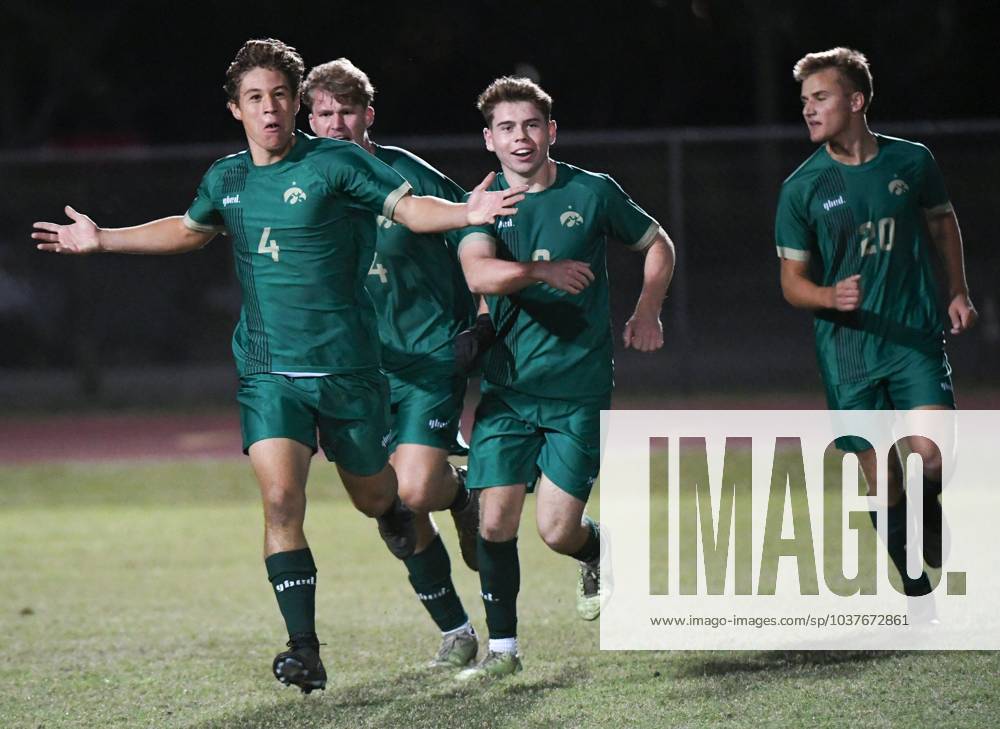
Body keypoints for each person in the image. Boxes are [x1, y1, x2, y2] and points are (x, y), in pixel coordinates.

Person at [31, 38, 525, 694]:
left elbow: (408, 208)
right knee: (280, 499)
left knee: (384, 500)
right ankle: (304, 649)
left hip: (350, 371)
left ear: (295, 104)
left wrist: (467, 211)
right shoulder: (227, 179)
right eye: (256, 98)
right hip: (268, 371)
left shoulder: (336, 163)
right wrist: (104, 239)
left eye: (280, 96)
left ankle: (451, 555)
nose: (269, 109)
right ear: (236, 108)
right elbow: (191, 228)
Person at [451, 77, 676, 679]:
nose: (520, 137)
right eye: (506, 127)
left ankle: (596, 549)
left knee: (555, 530)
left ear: (550, 131)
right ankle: (504, 652)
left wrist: (647, 308)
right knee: (493, 521)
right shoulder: (485, 204)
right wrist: (538, 273)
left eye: (530, 125)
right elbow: (478, 275)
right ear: (489, 139)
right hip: (507, 389)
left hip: (578, 389)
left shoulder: (592, 190)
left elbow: (658, 243)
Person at [775, 47, 977, 598]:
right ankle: (915, 590)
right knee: (879, 474)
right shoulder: (802, 188)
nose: (808, 109)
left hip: (912, 335)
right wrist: (827, 295)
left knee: (934, 455)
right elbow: (791, 283)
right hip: (847, 352)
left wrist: (958, 290)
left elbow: (942, 223)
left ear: (856, 100)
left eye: (821, 97)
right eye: (804, 100)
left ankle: (926, 507)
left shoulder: (911, 162)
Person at [301, 57, 481, 669]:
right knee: (388, 509)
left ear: (368, 115)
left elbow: (474, 232)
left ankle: (460, 496)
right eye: (323, 112)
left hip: (428, 357)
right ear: (309, 120)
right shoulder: (303, 184)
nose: (335, 123)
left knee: (417, 487)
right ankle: (457, 632)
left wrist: (483, 318)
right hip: (354, 371)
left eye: (347, 110)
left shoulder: (407, 174)